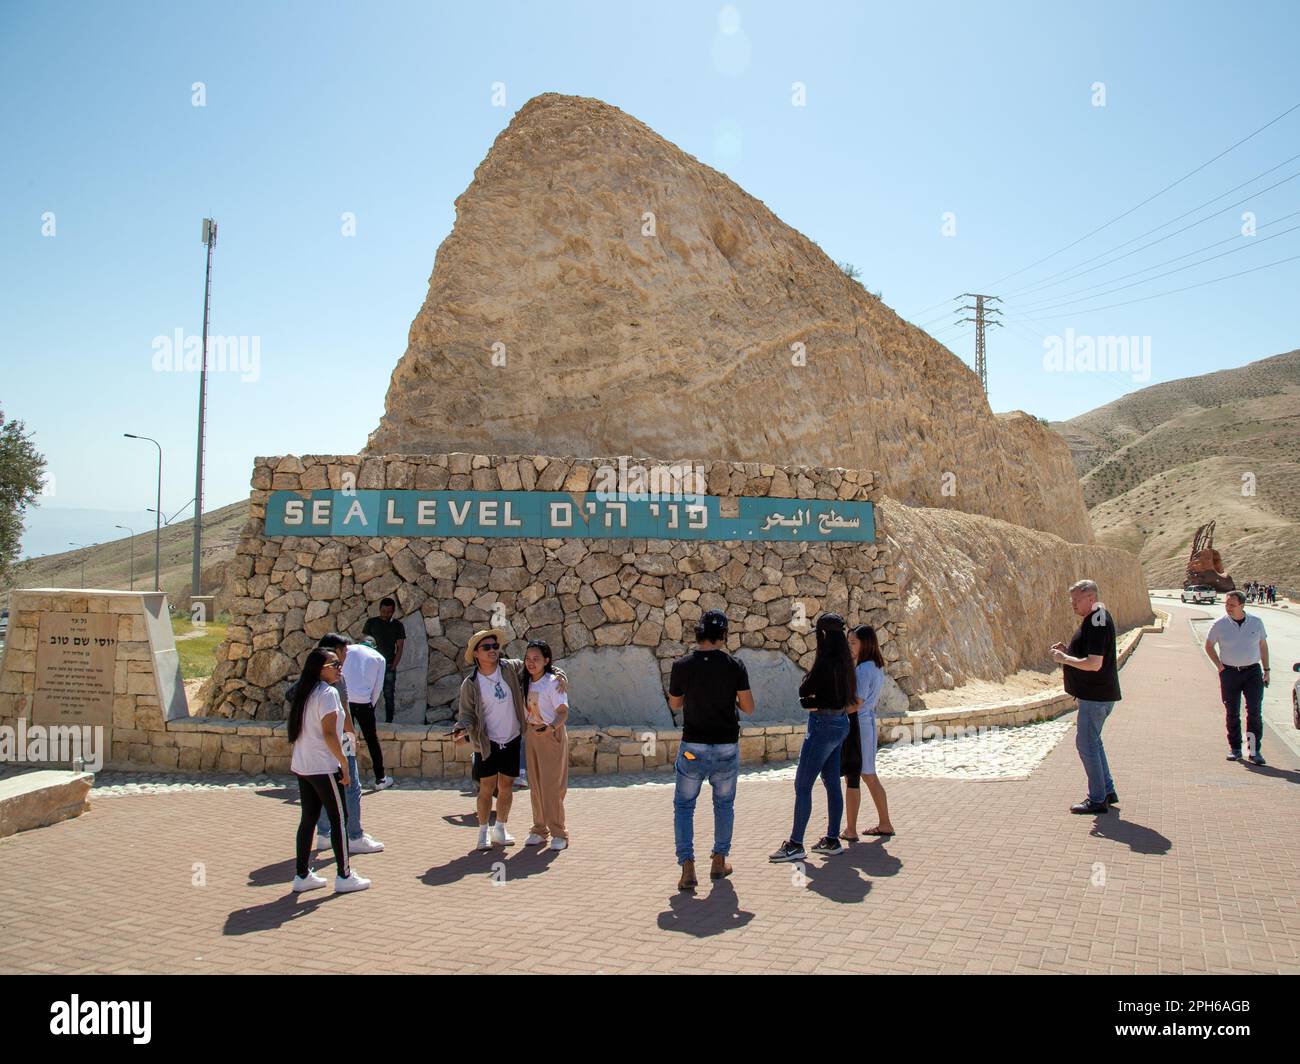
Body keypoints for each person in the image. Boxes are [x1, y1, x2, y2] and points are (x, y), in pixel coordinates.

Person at [667, 609, 755, 891]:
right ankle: (719, 860)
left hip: (693, 745)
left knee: (684, 806)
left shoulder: (682, 666)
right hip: (726, 745)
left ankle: (687, 868)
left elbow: (675, 704)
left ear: (698, 633)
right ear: (723, 635)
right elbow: (749, 707)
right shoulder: (735, 665)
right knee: (724, 805)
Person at [770, 613, 854, 862]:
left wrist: (811, 696)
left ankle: (796, 843)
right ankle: (832, 838)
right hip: (841, 723)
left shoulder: (825, 661)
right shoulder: (846, 663)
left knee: (803, 784)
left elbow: (805, 691)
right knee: (832, 783)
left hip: (822, 726)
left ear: (824, 635)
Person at [288, 647, 370, 894]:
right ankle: (344, 874)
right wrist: (343, 764)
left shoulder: (305, 692)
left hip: (303, 764)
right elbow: (328, 733)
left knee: (308, 819)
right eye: (334, 665)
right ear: (320, 669)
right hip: (323, 766)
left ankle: (302, 874)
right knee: (339, 820)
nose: (339, 668)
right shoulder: (327, 694)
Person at [451, 629, 527, 851]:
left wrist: (559, 674)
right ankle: (483, 831)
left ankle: (501, 828)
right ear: (476, 654)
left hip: (511, 737)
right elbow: (466, 714)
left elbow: (536, 665)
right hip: (487, 741)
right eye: (487, 647)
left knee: (506, 785)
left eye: (495, 646)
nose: (493, 650)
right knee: (486, 787)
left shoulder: (510, 668)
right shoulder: (471, 683)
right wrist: (461, 728)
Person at [309, 634, 385, 853]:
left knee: (326, 788)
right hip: (338, 739)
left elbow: (344, 709)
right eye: (342, 653)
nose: (344, 658)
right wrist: (350, 736)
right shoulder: (334, 680)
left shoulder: (314, 679)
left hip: (327, 739)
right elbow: (342, 709)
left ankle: (325, 833)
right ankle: (354, 835)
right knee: (351, 787)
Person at [1052, 579, 1122, 815]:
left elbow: (1094, 664)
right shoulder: (1096, 617)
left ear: (1090, 597)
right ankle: (1107, 791)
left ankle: (1097, 798)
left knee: (1086, 744)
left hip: (1096, 695)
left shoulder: (1097, 621)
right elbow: (1090, 655)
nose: (1072, 604)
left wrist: (1064, 659)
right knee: (1094, 742)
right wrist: (1069, 652)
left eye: (1075, 600)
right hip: (1098, 694)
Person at [841, 624, 895, 840]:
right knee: (867, 774)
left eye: (853, 643)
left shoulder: (863, 669)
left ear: (866, 644)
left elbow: (855, 703)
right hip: (867, 722)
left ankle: (855, 828)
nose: (850, 647)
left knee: (862, 775)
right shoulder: (875, 666)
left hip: (859, 724)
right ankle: (884, 822)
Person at [1204, 591, 1270, 766]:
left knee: (1254, 711)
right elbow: (1209, 645)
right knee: (1232, 712)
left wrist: (1267, 670)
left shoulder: (1256, 622)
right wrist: (1219, 667)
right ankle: (1235, 749)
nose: (1228, 608)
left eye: (1232, 605)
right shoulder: (1219, 624)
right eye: (1226, 604)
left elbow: (1263, 645)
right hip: (1230, 673)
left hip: (1253, 673)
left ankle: (1254, 751)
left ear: (1242, 605)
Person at [518, 640, 570, 851]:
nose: (531, 663)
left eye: (536, 659)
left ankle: (559, 832)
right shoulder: (524, 680)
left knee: (551, 785)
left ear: (546, 660)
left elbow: (563, 711)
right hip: (532, 734)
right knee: (536, 784)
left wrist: (551, 727)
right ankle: (539, 829)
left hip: (550, 735)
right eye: (528, 658)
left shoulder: (553, 682)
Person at [340, 634, 394, 791]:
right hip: (364, 701)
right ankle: (380, 778)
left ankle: (346, 775)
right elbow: (378, 687)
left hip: (345, 699)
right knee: (371, 739)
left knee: (346, 736)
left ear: (360, 642)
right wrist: (371, 704)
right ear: (374, 646)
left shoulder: (348, 649)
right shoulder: (379, 658)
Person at [363, 597, 405, 723]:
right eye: (383, 611)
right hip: (372, 665)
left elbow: (400, 647)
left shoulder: (398, 626)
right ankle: (368, 721)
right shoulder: (371, 623)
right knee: (369, 694)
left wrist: (394, 665)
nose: (385, 614)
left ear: (393, 611)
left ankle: (389, 722)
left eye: (389, 612)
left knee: (389, 695)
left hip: (389, 664)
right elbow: (365, 644)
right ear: (379, 609)